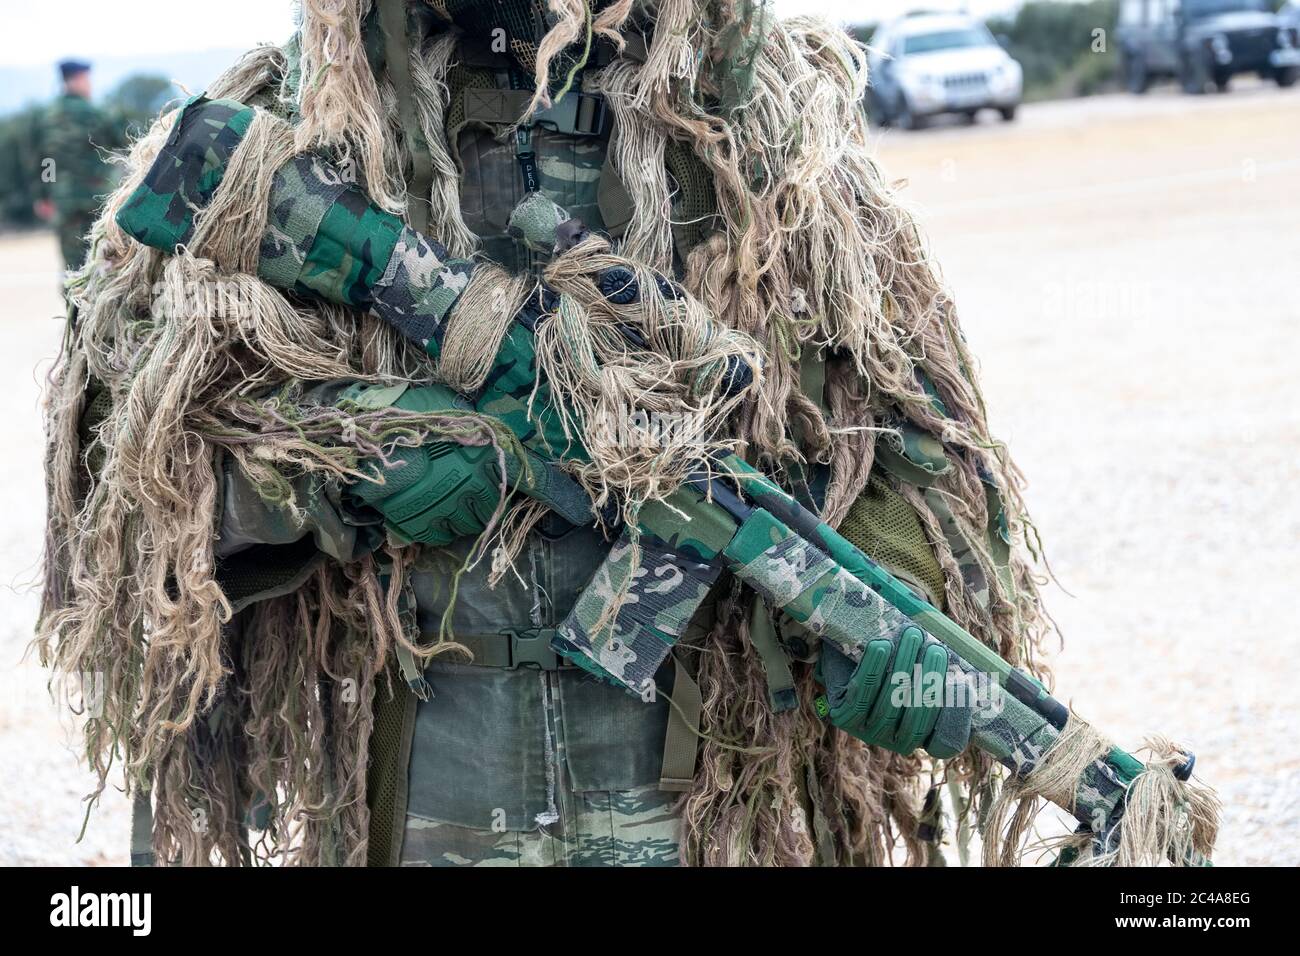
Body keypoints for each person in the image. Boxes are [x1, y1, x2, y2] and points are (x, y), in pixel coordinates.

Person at [40, 0, 1184, 868]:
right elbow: (128, 460)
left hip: (706, 800)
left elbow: (898, 421)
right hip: (419, 784)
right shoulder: (303, 134)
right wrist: (338, 462)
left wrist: (895, 585)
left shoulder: (751, 144)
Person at [35, 60, 123, 270]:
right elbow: (122, 142)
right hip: (98, 198)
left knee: (72, 266)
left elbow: (46, 160)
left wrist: (46, 194)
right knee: (104, 261)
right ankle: (100, 302)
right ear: (77, 80)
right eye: (86, 79)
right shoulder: (95, 112)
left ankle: (73, 303)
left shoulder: (46, 118)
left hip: (64, 202)